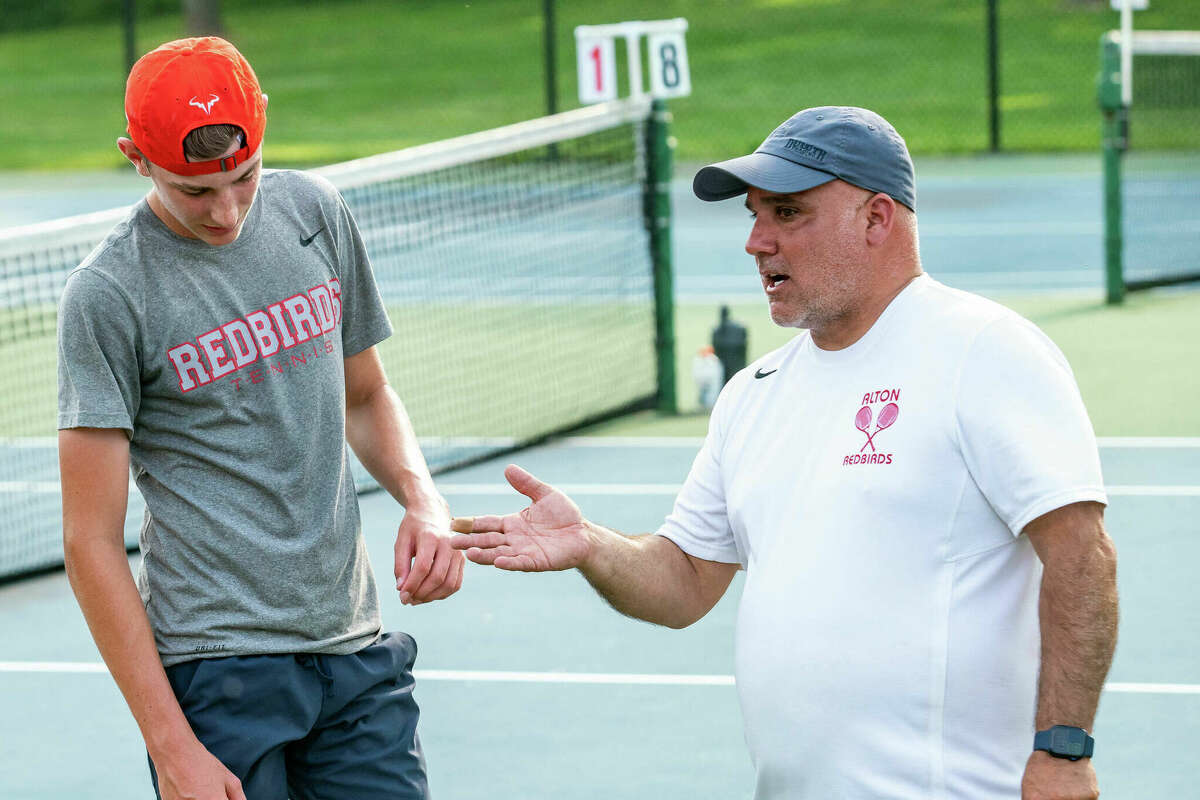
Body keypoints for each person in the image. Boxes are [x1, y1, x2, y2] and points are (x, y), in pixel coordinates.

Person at [451, 107, 1118, 799]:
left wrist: (1064, 753)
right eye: (754, 216)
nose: (757, 242)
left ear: (877, 219)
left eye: (788, 213)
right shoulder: (753, 394)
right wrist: (589, 543)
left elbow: (1081, 554)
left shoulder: (984, 350)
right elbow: (682, 581)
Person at [57, 37, 462, 800]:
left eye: (243, 179)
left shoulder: (316, 212)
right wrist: (170, 745)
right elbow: (88, 541)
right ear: (134, 158)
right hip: (218, 673)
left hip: (354, 652)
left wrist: (423, 500)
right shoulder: (107, 294)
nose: (227, 211)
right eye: (193, 191)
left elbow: (365, 396)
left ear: (264, 123)